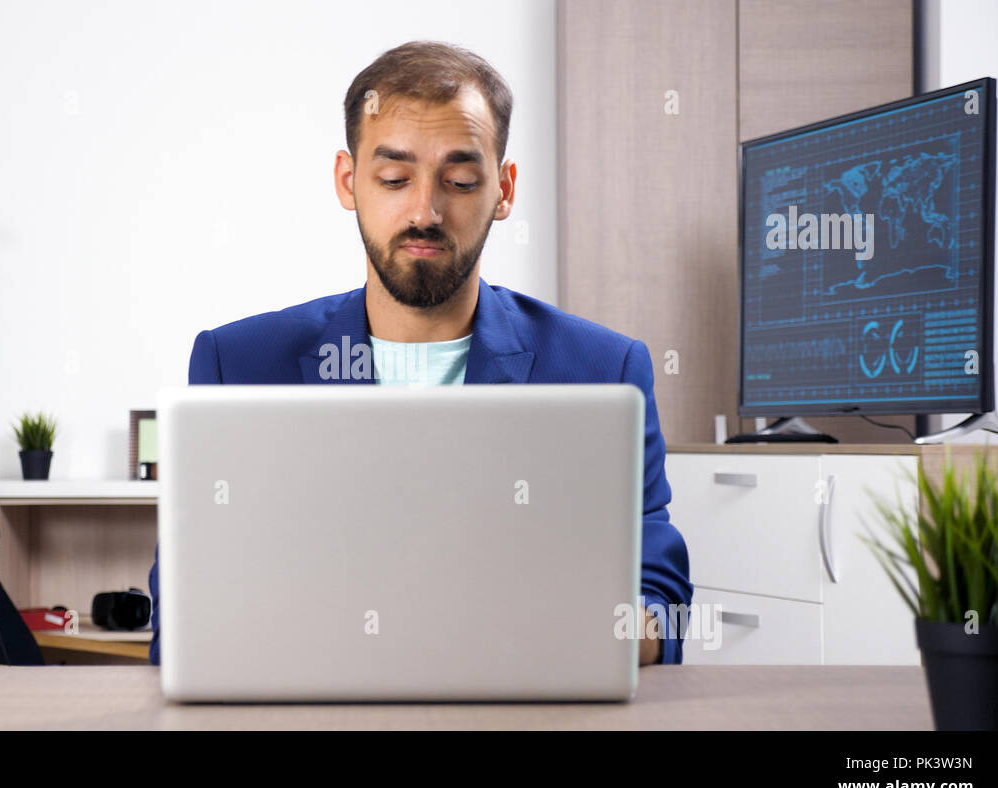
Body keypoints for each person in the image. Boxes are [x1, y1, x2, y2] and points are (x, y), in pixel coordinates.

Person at [148, 40, 692, 666]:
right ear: (349, 182)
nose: (425, 212)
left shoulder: (606, 371)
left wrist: (583, 641)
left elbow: (663, 598)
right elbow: (184, 610)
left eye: (459, 181)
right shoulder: (236, 365)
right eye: (394, 178)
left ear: (504, 189)